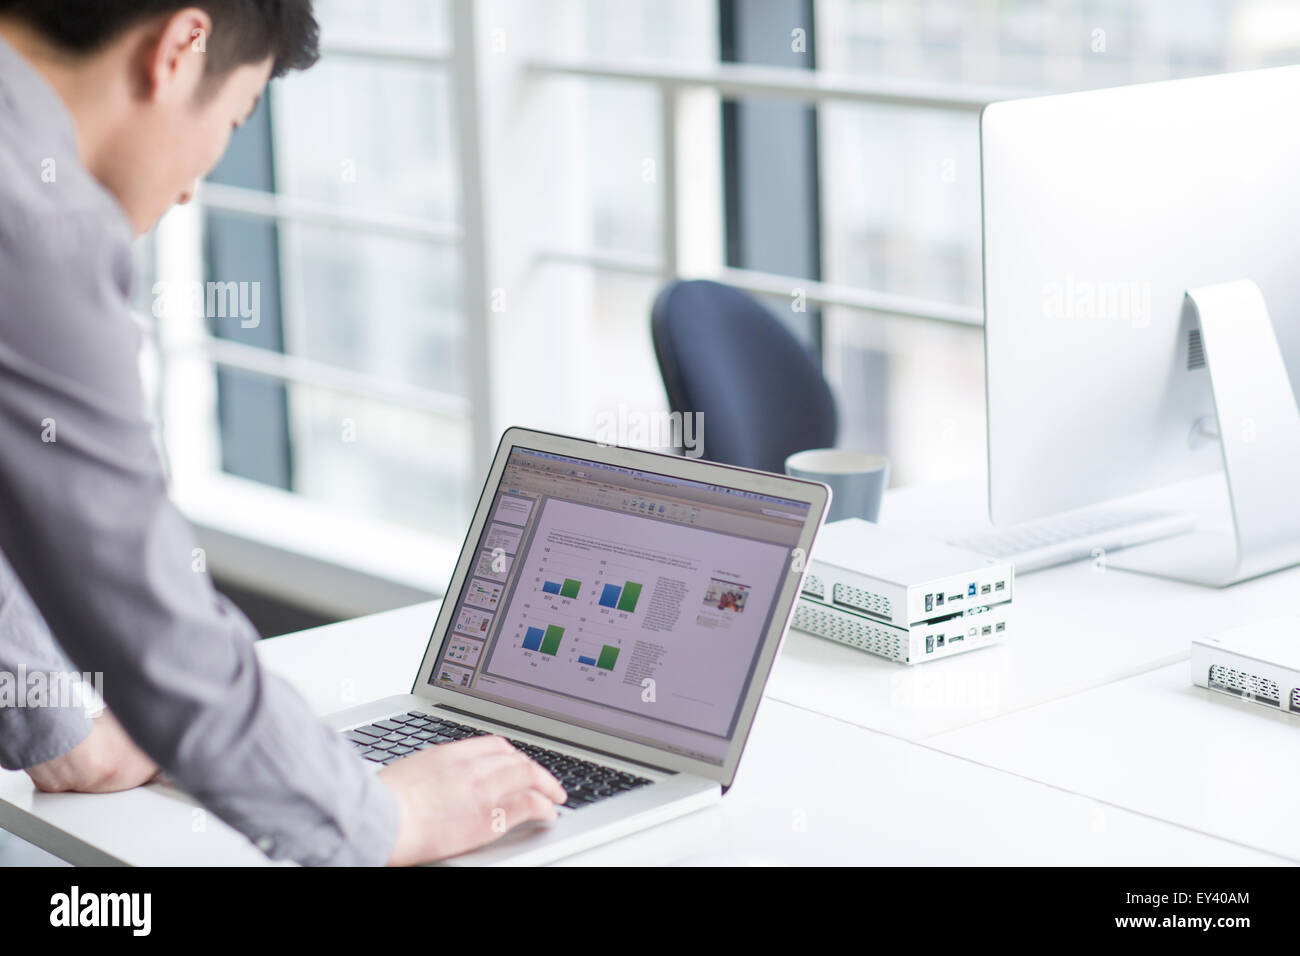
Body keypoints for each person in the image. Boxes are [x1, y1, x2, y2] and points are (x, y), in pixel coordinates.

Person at [0, 0, 564, 866]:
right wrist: (384, 819)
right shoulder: (37, 223)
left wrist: (55, 719)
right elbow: (150, 625)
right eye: (231, 120)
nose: (193, 185)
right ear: (181, 50)